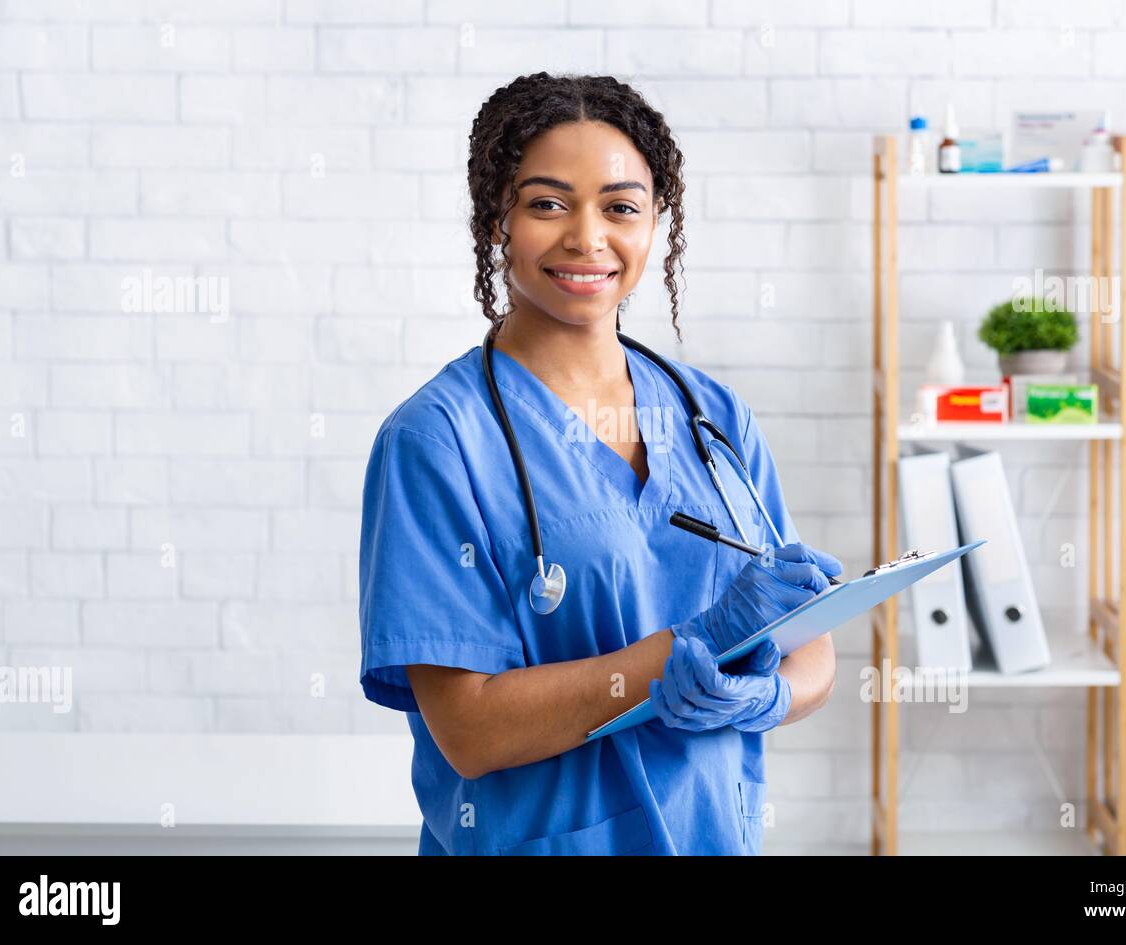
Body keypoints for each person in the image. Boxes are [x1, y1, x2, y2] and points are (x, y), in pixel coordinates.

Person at [358, 73, 842, 855]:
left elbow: (809, 643)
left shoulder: (713, 417)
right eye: (547, 203)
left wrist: (763, 695)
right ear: (496, 221)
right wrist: (683, 649)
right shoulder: (438, 440)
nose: (588, 237)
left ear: (656, 225)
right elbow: (470, 729)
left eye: (621, 206)